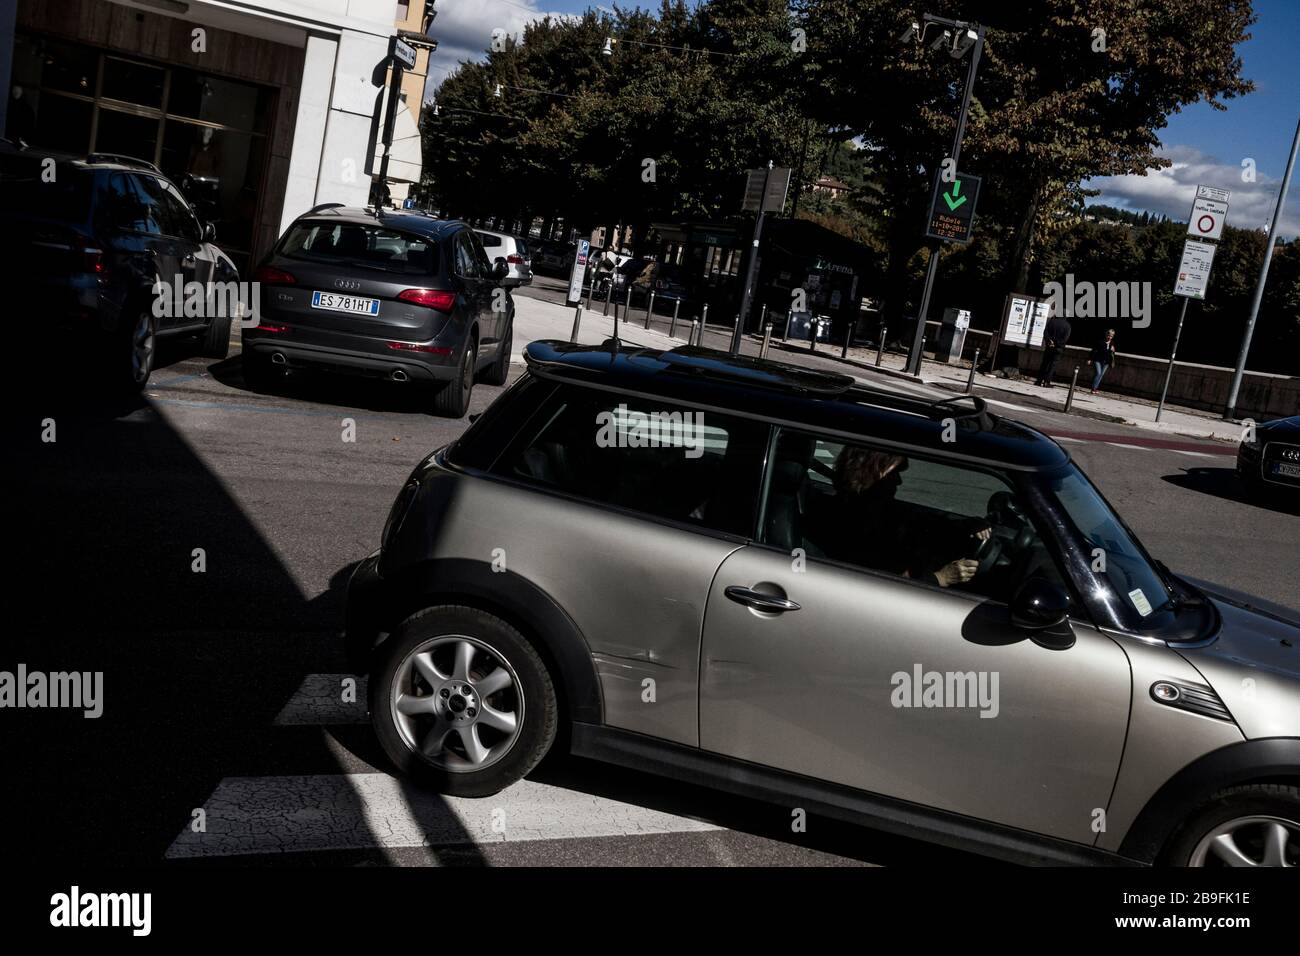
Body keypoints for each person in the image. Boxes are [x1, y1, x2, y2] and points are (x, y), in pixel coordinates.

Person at [831, 447, 989, 588]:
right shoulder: (855, 523)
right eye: (893, 473)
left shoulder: (881, 510)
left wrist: (966, 526)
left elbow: (921, 523)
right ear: (870, 472)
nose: (899, 481)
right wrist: (941, 578)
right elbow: (881, 586)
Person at [1033, 313, 1072, 387]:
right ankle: (1046, 382)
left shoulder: (1052, 322)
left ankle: (1039, 381)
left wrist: (1049, 341)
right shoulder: (1067, 326)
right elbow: (1065, 339)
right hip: (1058, 348)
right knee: (1052, 365)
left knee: (1044, 364)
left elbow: (1045, 332)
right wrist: (1056, 343)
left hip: (1049, 346)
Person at [1090, 328, 1117, 393]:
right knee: (1098, 373)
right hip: (1098, 360)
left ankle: (1095, 388)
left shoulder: (1112, 343)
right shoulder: (1100, 341)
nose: (1109, 337)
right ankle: (1093, 388)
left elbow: (1111, 354)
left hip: (1106, 362)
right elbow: (1094, 350)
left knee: (1101, 375)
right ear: (1106, 334)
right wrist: (1090, 359)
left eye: (1111, 336)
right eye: (1109, 335)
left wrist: (1113, 351)